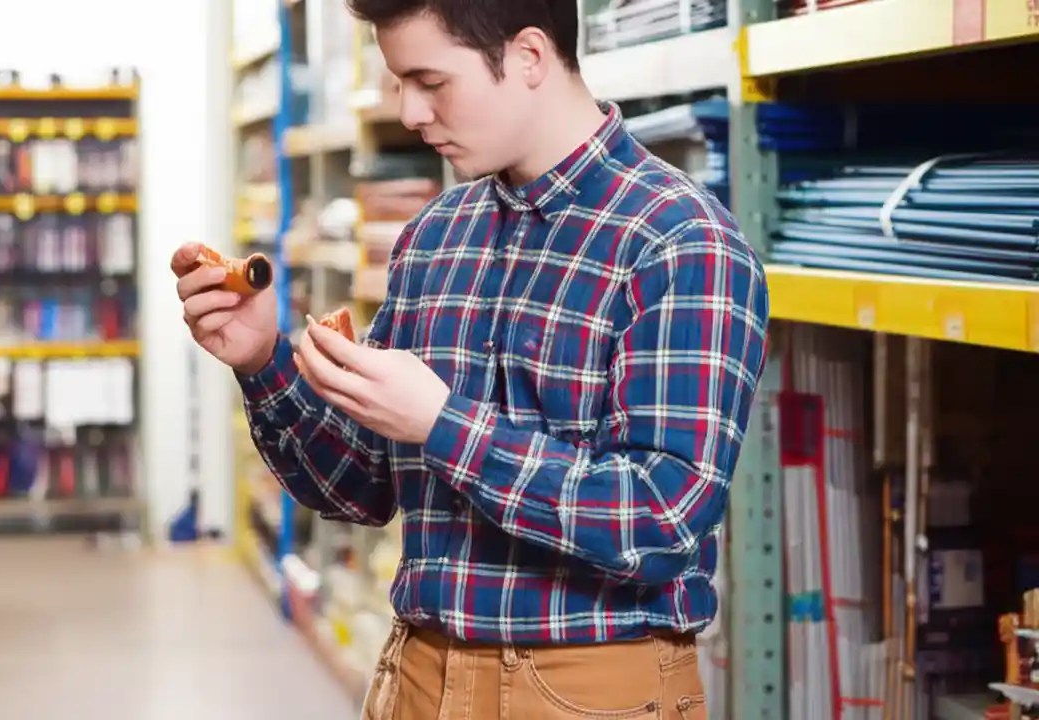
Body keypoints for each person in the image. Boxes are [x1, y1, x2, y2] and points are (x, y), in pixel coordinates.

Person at [175, 0, 770, 716]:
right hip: (417, 673)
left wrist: (443, 423)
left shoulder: (679, 242)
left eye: (431, 81)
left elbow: (663, 516)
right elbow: (362, 489)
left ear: (528, 57)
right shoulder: (434, 238)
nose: (412, 113)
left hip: (590, 688)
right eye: (399, 83)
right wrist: (264, 359)